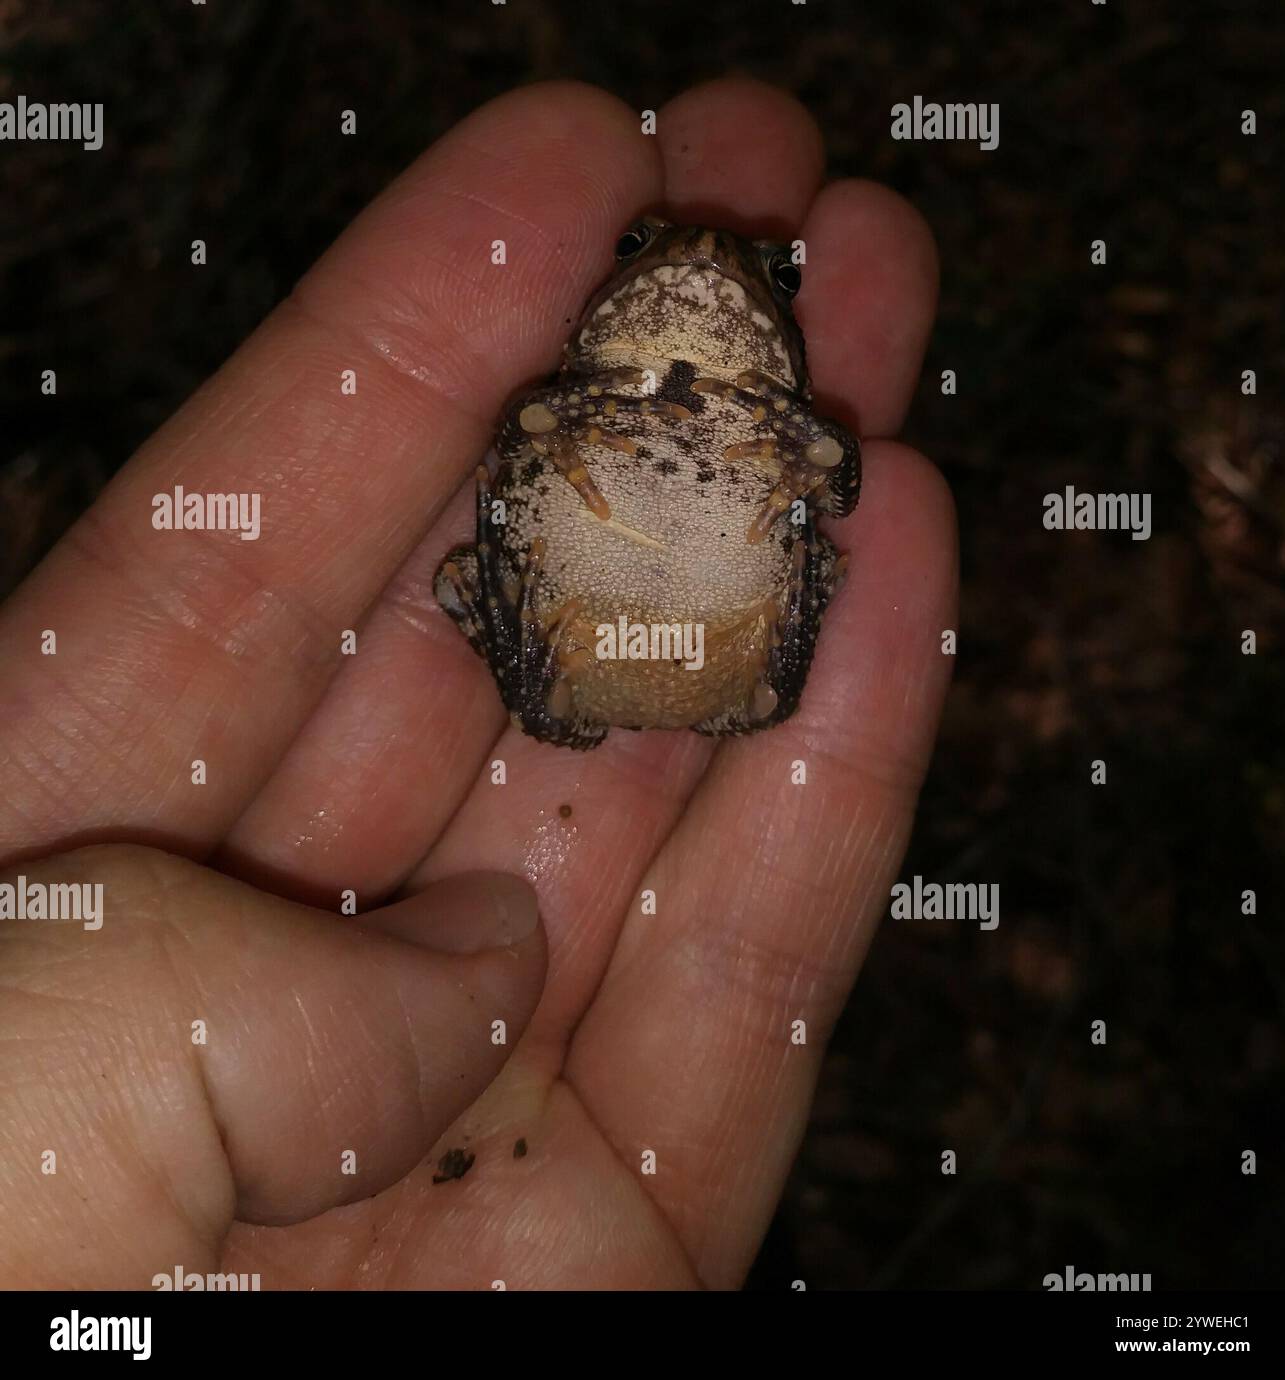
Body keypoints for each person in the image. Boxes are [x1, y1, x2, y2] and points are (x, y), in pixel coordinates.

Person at [0, 78, 955, 1289]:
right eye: (642, 249)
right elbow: (545, 454)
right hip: (579, 651)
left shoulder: (775, 422)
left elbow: (832, 481)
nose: (705, 265)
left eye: (768, 275)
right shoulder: (576, 402)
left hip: (726, 669)